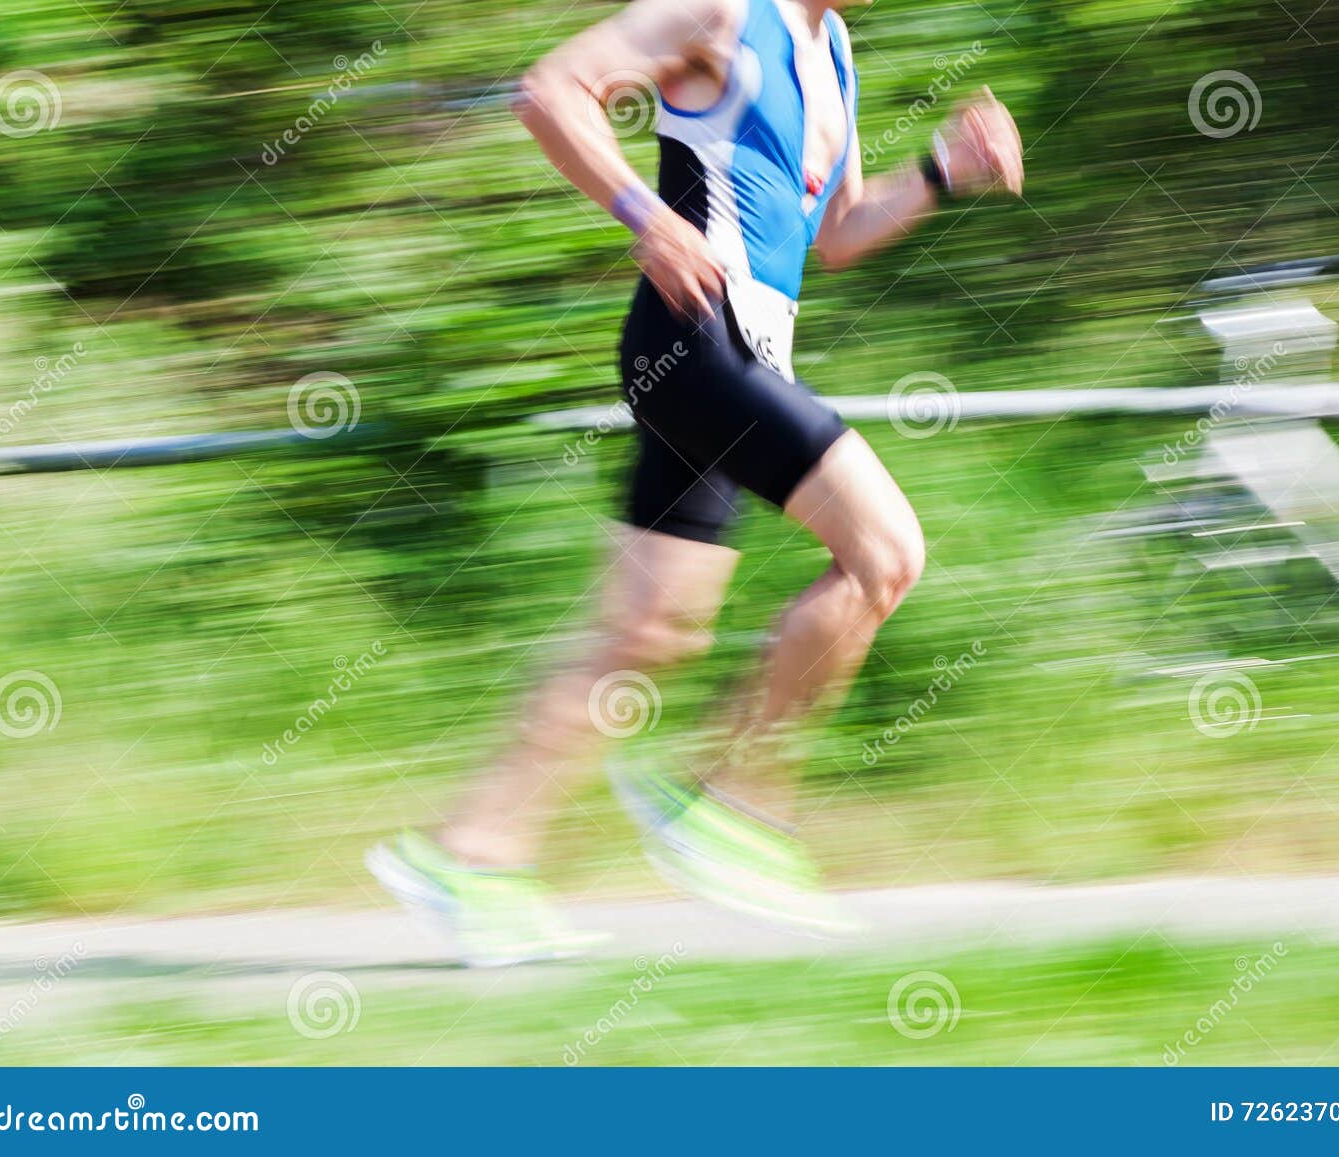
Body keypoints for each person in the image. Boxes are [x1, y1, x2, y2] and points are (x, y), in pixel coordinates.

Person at [369, 0, 1024, 965]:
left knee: (654, 627)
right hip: (693, 339)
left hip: (745, 352)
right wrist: (646, 218)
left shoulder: (832, 47)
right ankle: (729, 802)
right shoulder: (719, 9)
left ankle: (471, 855)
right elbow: (551, 91)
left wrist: (938, 172)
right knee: (885, 555)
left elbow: (834, 234)